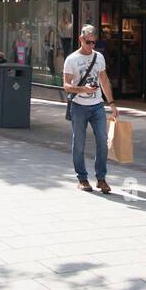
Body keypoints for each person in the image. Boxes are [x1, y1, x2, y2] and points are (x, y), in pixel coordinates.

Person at [62, 24, 118, 194]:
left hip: (97, 106)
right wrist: (82, 90)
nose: (91, 46)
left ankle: (101, 178)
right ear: (81, 39)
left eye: (94, 42)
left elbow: (105, 81)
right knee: (79, 143)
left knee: (103, 140)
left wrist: (112, 103)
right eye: (88, 42)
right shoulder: (71, 59)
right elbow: (65, 86)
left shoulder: (99, 57)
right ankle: (82, 178)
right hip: (79, 106)